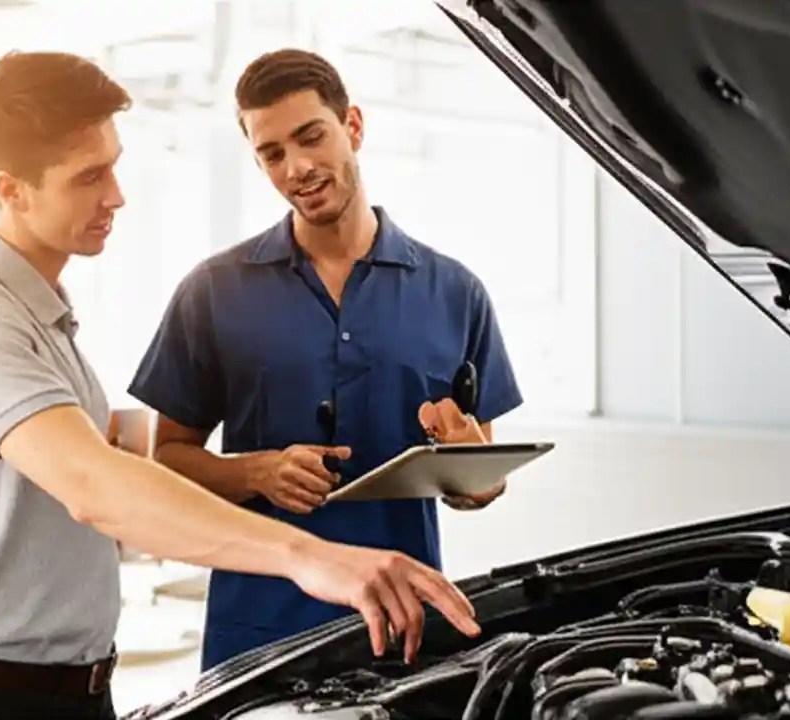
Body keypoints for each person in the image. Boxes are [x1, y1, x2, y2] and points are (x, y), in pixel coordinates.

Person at [0, 50, 482, 720]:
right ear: (12, 189)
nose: (116, 195)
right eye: (89, 177)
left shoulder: (42, 316)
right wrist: (306, 554)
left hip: (68, 690)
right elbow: (98, 488)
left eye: (112, 165)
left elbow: (112, 478)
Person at [128, 48, 524, 672]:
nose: (298, 168)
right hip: (257, 635)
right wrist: (255, 473)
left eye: (311, 137)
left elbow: (480, 484)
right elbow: (168, 458)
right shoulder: (212, 290)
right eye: (273, 153)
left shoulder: (455, 292)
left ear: (354, 127)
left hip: (404, 630)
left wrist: (468, 467)